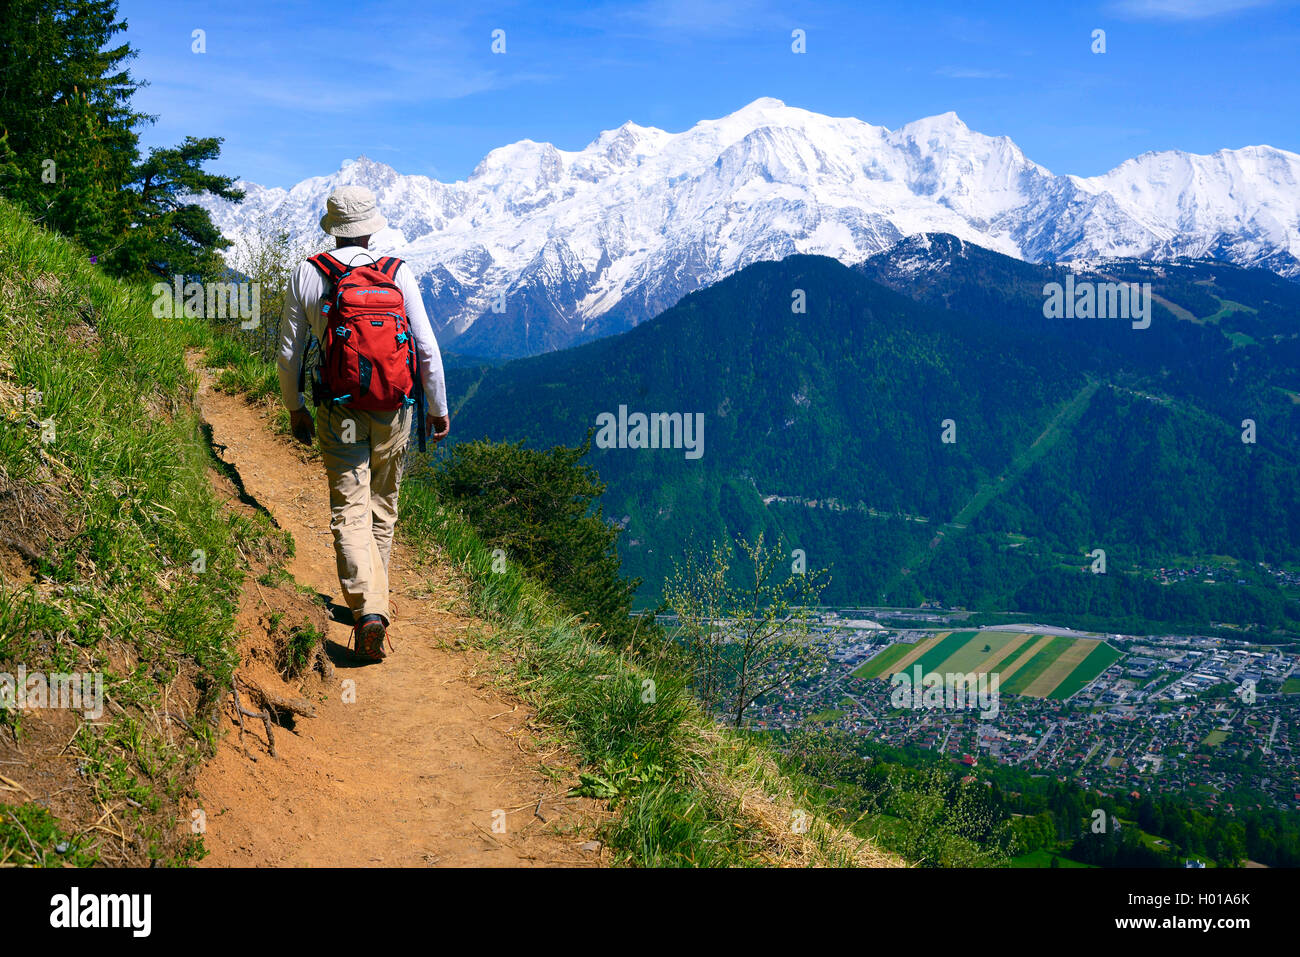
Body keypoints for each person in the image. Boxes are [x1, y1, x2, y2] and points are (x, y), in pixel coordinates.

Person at [277, 185, 450, 661]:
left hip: (340, 409)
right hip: (394, 410)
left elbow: (289, 353)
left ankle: (368, 608)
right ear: (373, 227)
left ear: (331, 229)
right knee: (382, 508)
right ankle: (376, 606)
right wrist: (437, 407)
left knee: (348, 507)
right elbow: (426, 347)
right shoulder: (397, 273)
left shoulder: (309, 274)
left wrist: (295, 408)